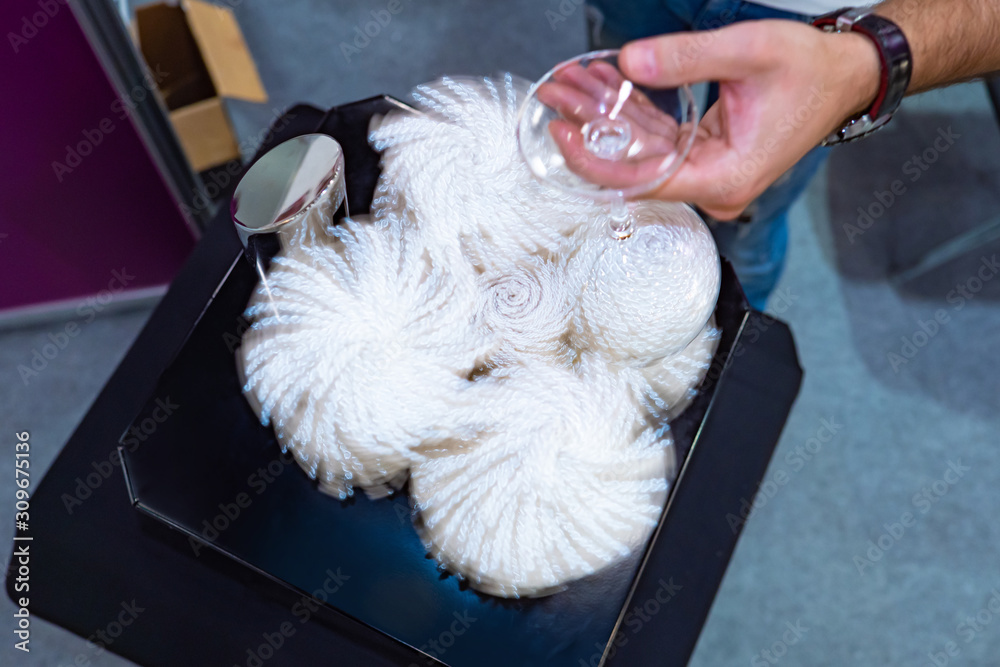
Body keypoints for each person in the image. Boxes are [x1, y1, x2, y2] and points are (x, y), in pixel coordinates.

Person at [584, 0, 1000, 309]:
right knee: (619, 146)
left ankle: (719, 352)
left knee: (744, 225)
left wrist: (861, 63)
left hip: (820, 16)